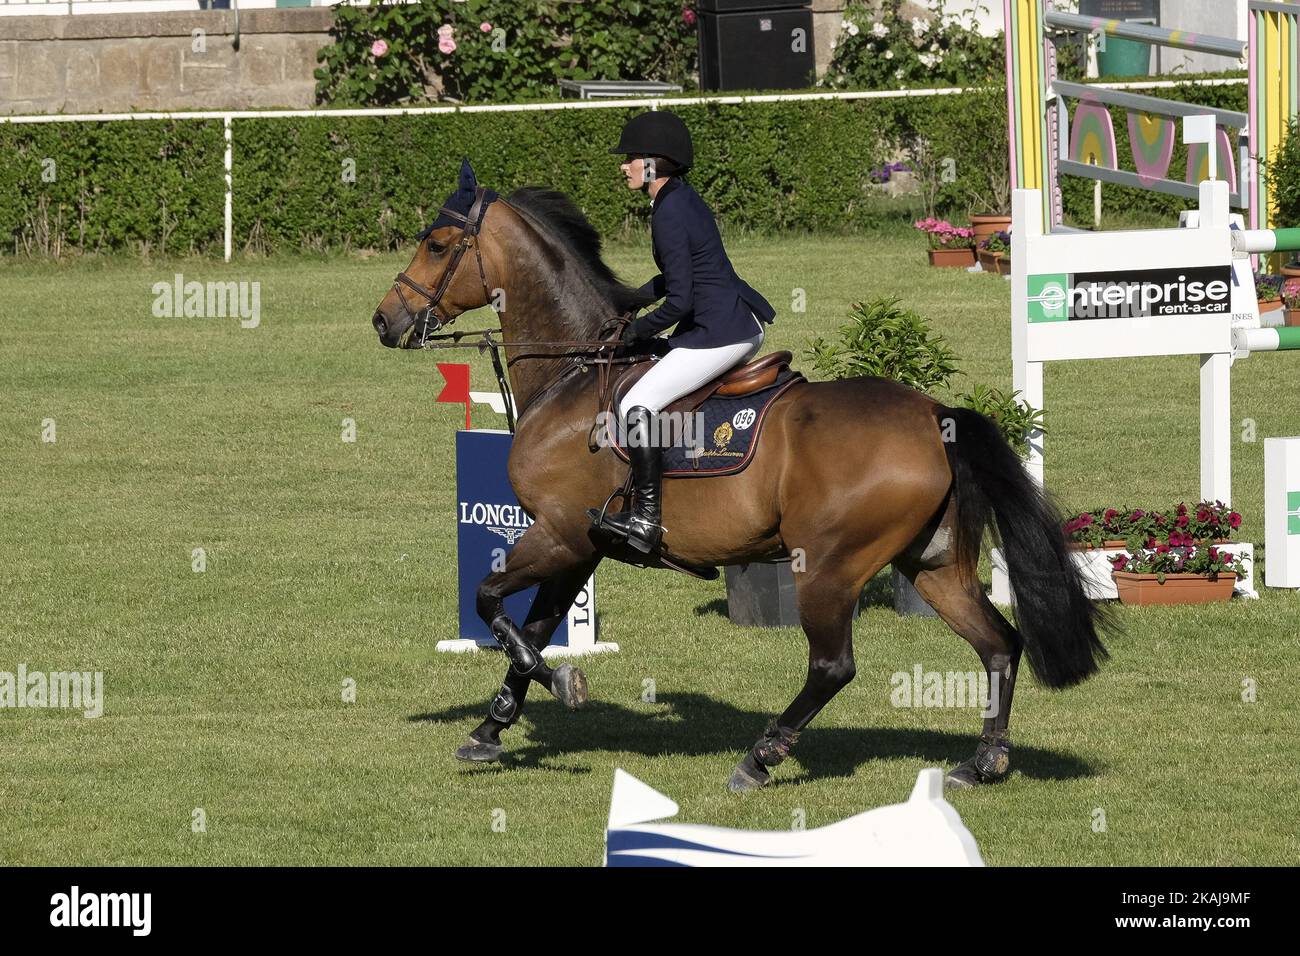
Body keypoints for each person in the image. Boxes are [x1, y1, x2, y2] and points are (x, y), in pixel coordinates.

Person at [595, 110, 776, 555]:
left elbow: (679, 301)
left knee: (637, 401)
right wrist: (632, 299)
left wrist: (633, 333)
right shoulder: (679, 199)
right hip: (725, 319)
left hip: (721, 331)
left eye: (632, 158)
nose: (624, 166)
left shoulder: (669, 212)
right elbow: (679, 274)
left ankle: (646, 519)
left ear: (654, 164)